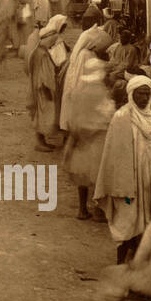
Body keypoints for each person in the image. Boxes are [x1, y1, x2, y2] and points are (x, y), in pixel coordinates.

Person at [94, 75, 151, 264]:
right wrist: (118, 182)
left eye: (147, 94)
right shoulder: (121, 118)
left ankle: (138, 265)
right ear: (132, 94)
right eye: (140, 94)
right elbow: (112, 153)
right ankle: (120, 263)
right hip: (126, 183)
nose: (144, 98)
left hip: (148, 177)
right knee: (127, 220)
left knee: (146, 219)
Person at [61, 56, 115, 220]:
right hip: (98, 137)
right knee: (99, 177)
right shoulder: (101, 92)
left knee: (82, 176)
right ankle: (99, 210)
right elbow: (108, 114)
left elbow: (72, 117)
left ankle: (82, 209)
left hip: (80, 138)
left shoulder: (78, 91)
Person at [26, 14, 69, 152]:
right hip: (43, 89)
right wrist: (49, 90)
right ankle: (39, 142)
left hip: (39, 88)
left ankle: (42, 140)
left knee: (42, 115)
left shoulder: (39, 51)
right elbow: (44, 76)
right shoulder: (42, 55)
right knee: (44, 116)